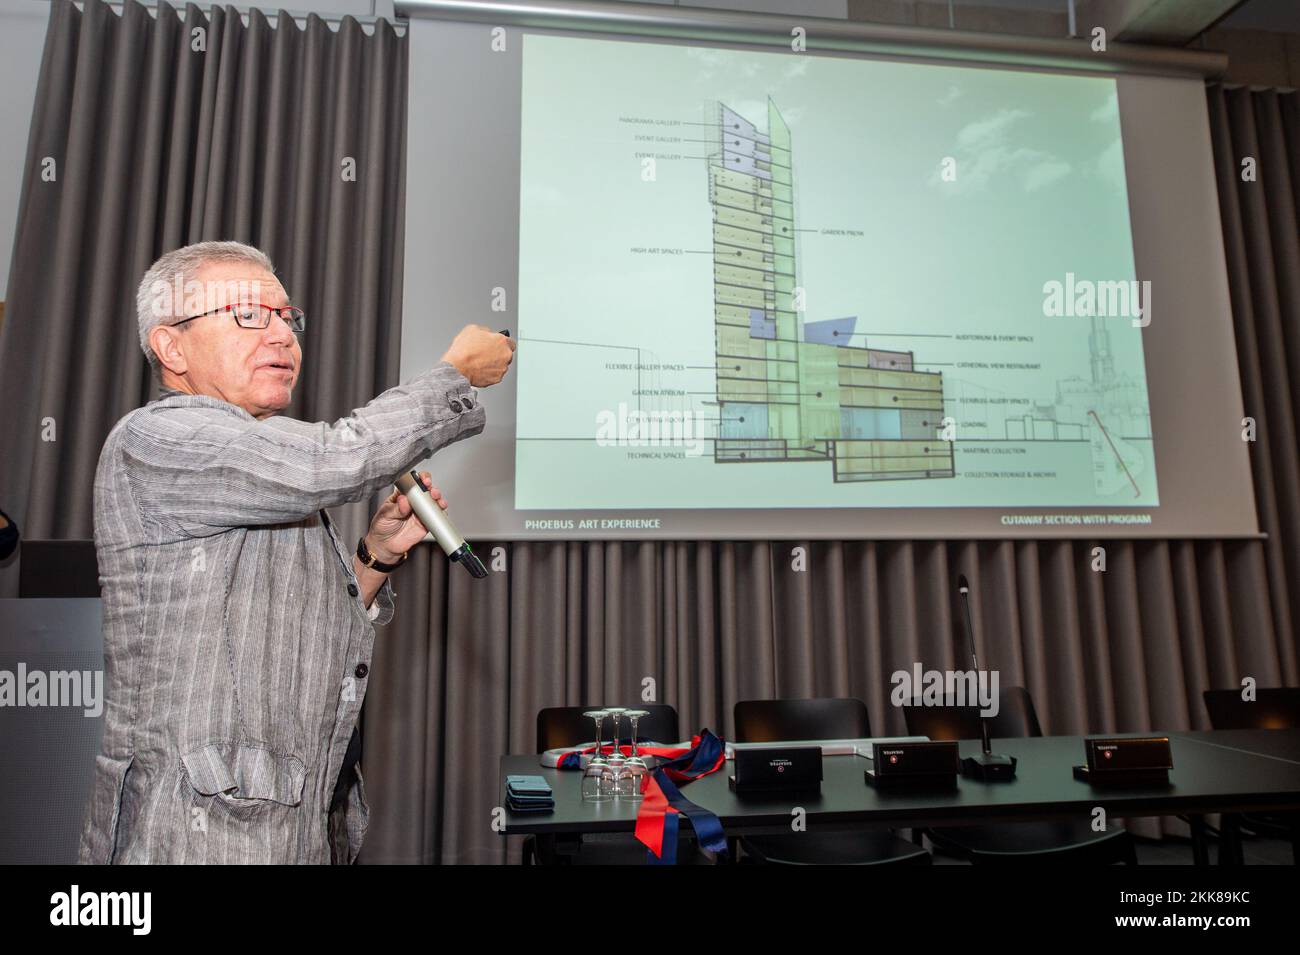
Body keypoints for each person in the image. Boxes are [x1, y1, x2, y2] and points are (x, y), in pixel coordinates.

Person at [77, 241, 513, 863]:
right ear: (171, 347)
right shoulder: (158, 436)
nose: (282, 335)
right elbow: (334, 458)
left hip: (292, 830)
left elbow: (298, 633)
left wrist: (374, 558)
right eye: (249, 315)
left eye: (287, 317)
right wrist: (455, 375)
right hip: (194, 838)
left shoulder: (254, 461)